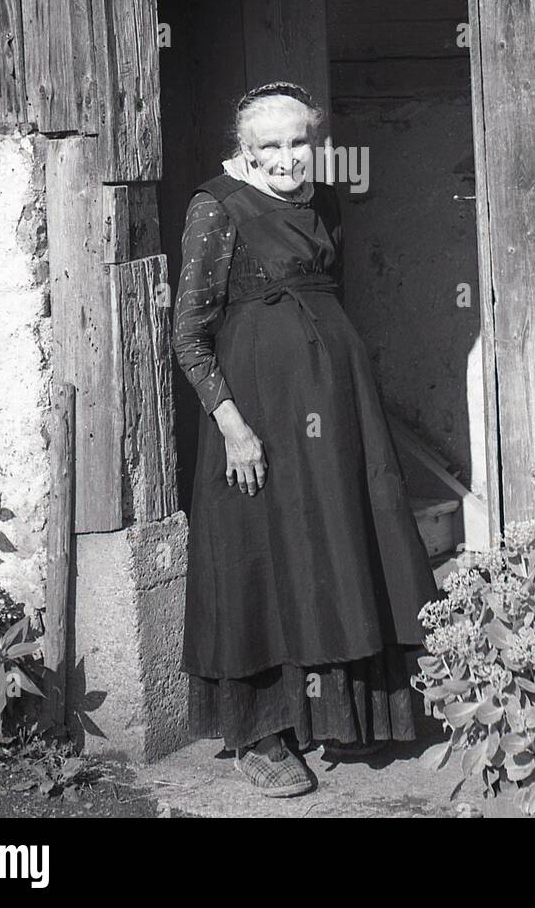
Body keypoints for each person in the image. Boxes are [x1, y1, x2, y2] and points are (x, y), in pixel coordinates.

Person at [172, 80, 438, 797]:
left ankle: (347, 712)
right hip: (255, 419)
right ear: (245, 151)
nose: (288, 158)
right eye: (271, 147)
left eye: (299, 143)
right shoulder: (215, 208)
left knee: (336, 545)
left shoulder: (324, 202)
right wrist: (233, 429)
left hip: (334, 412)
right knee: (262, 552)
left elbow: (331, 298)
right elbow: (188, 337)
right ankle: (259, 734)